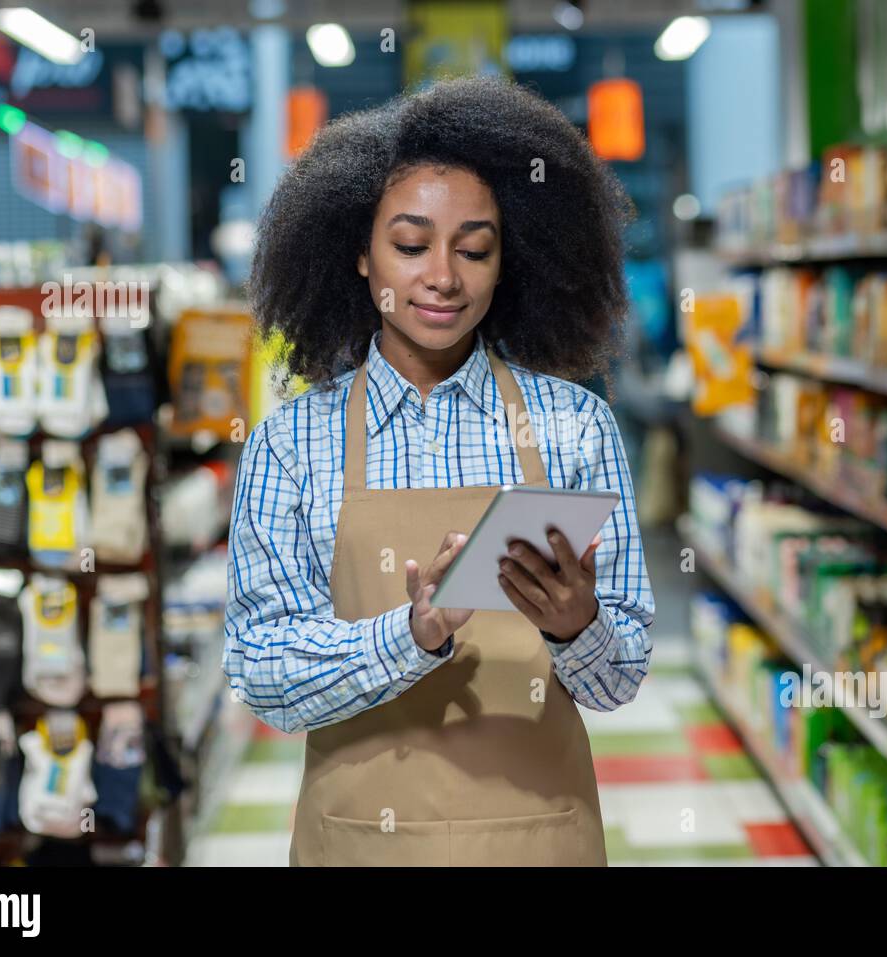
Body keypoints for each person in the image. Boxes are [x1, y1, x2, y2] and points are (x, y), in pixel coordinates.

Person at [223, 76, 655, 867]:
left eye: (475, 248)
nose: (444, 277)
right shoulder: (291, 444)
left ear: (507, 258)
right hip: (359, 846)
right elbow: (260, 673)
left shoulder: (573, 429)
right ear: (358, 253)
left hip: (540, 842)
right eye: (412, 245)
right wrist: (409, 636)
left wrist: (577, 627)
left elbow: (618, 681)